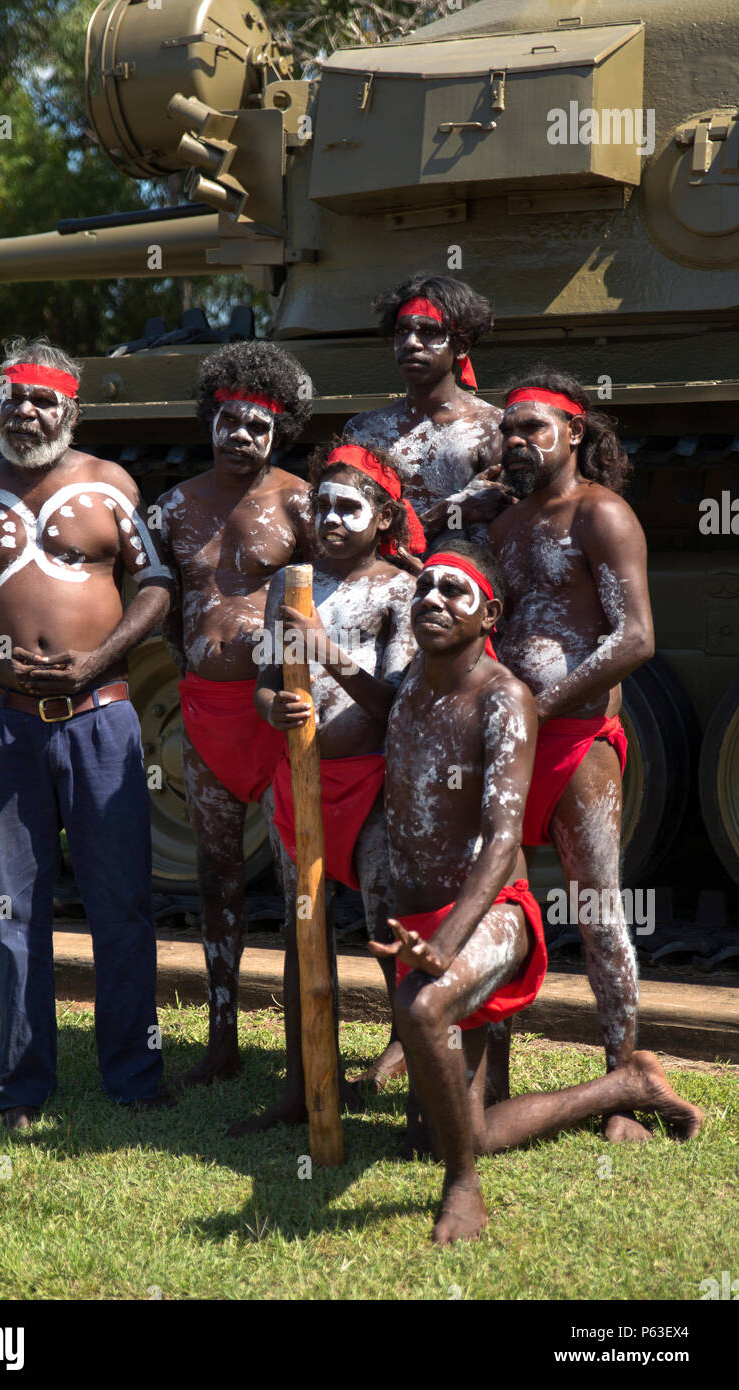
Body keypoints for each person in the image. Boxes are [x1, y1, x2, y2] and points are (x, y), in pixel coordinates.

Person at [371, 545, 703, 1246]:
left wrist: (445, 943)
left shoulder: (503, 699)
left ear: (489, 613)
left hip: (491, 917)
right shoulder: (409, 690)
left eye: (454, 591)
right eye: (423, 587)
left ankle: (464, 1193)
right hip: (427, 922)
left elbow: (499, 843)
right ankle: (623, 1088)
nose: (431, 598)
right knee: (469, 1129)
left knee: (422, 1005)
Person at [0, 337, 172, 1128]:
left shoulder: (110, 484)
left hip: (100, 717)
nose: (23, 412)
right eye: (12, 397)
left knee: (123, 901)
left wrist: (97, 659)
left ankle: (134, 1076)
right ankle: (22, 1087)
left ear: (71, 408)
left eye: (40, 400)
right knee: (14, 905)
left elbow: (157, 587)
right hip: (6, 724)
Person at [487, 371, 656, 1142]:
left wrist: (542, 706)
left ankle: (624, 1085)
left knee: (597, 914)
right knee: (499, 911)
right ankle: (493, 1084)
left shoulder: (602, 513)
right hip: (509, 741)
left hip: (577, 742)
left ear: (574, 433)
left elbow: (635, 638)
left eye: (533, 428)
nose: (517, 441)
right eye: (509, 431)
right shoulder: (507, 524)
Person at [233, 443, 420, 1131]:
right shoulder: (291, 584)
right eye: (322, 507)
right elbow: (263, 684)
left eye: (350, 508)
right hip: (301, 783)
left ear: (384, 519)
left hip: (372, 787)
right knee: (302, 930)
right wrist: (270, 709)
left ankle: (418, 1083)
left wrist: (325, 650)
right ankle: (304, 1085)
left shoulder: (401, 588)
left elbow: (393, 704)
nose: (333, 519)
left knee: (388, 932)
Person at [152, 341, 313, 1086]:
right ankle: (222, 1038)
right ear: (208, 422)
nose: (240, 436)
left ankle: (304, 1041)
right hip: (206, 711)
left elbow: (337, 596)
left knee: (296, 882)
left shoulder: (301, 502)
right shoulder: (175, 506)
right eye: (229, 422)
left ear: (279, 433)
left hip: (280, 713)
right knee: (216, 875)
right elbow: (160, 600)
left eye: (257, 425)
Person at [344, 273, 512, 541]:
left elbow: (510, 526)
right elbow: (352, 529)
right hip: (388, 575)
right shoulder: (364, 430)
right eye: (402, 331)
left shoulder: (493, 427)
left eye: (429, 331)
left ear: (461, 345)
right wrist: (448, 511)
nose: (411, 343)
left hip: (467, 574)